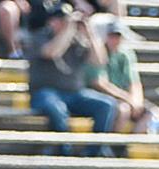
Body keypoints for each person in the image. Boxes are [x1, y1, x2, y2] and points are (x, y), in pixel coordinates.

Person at [29, 6, 117, 150]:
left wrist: (90, 32)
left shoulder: (78, 42)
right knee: (57, 108)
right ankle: (64, 150)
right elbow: (52, 53)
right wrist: (68, 29)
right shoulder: (40, 37)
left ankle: (95, 151)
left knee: (107, 105)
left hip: (74, 94)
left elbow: (99, 61)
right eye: (61, 20)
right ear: (52, 22)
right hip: (45, 92)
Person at [86, 15, 159, 135]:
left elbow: (135, 82)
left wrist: (137, 102)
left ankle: (128, 147)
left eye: (118, 36)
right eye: (112, 36)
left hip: (125, 98)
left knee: (153, 113)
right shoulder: (96, 54)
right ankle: (111, 147)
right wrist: (128, 99)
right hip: (106, 97)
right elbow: (99, 83)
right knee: (123, 110)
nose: (115, 40)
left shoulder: (126, 54)